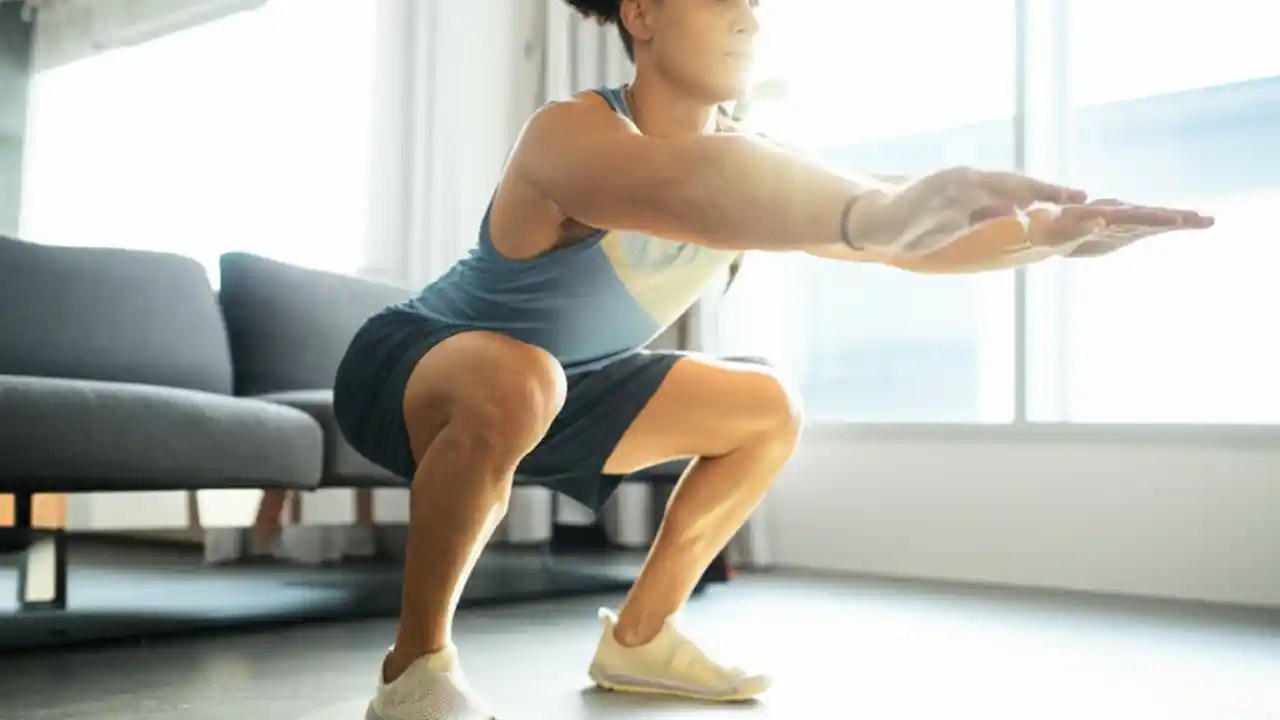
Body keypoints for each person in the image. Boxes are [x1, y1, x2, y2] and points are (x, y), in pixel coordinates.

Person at [336, 1, 1214, 717]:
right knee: (524, 377)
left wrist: (1047, 239)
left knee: (764, 406)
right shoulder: (569, 132)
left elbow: (906, 234)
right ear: (641, 13)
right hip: (412, 367)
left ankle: (641, 640)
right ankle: (415, 672)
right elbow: (692, 187)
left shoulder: (763, 159)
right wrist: (877, 215)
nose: (751, 14)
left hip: (567, 385)